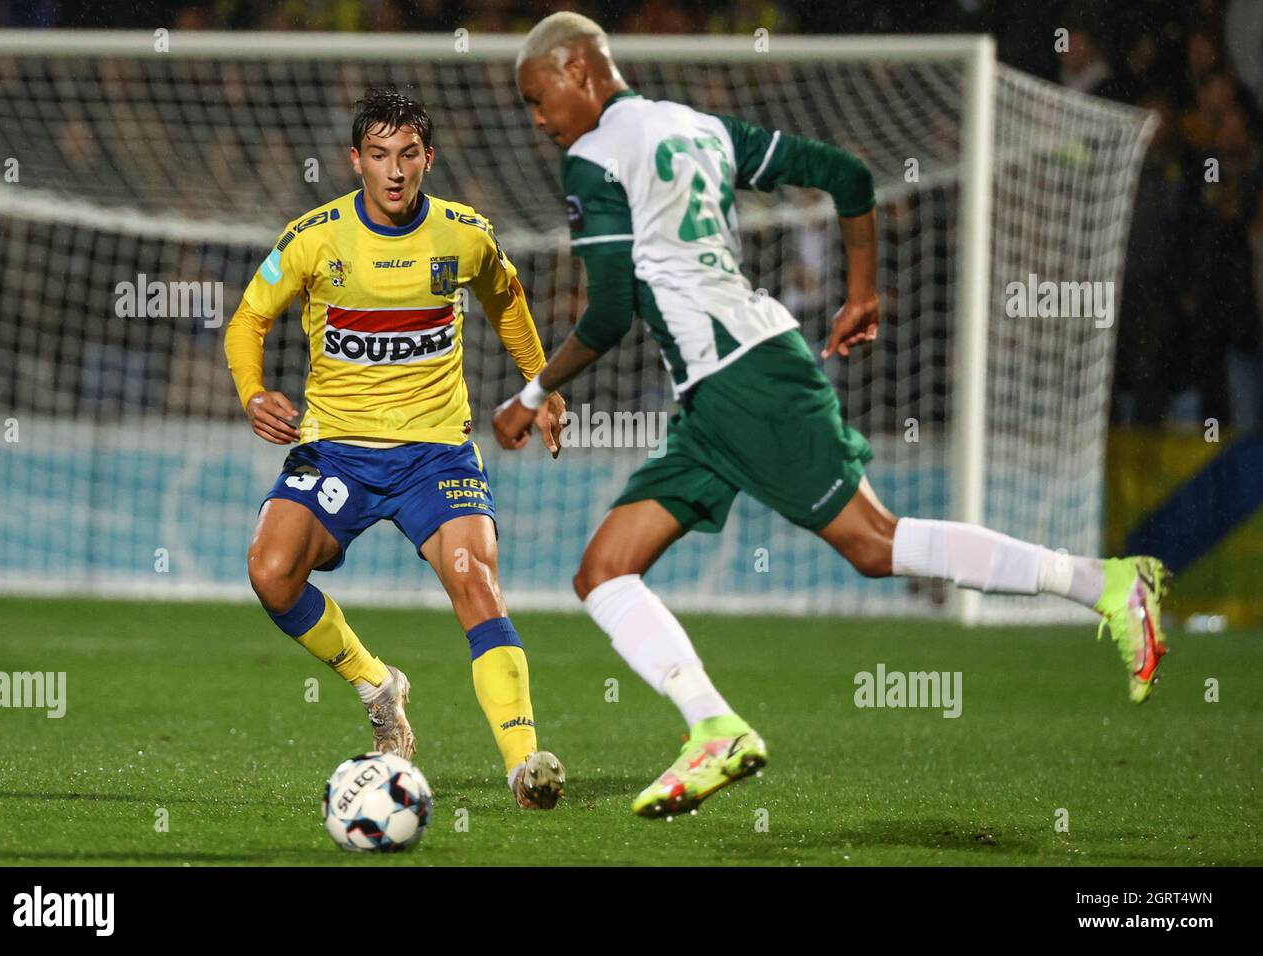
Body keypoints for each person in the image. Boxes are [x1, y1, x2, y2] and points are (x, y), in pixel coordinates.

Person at [494, 13, 1170, 819]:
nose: (537, 119)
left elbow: (606, 312)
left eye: (538, 98)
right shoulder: (700, 126)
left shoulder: (595, 155)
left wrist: (529, 394)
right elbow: (847, 173)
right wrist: (861, 289)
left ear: (576, 67)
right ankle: (713, 726)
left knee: (875, 546)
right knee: (603, 569)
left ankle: (1105, 582)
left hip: (746, 380)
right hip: (721, 392)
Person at [225, 87, 567, 809]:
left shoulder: (464, 234)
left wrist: (539, 387)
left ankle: (524, 762)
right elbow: (249, 317)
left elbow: (507, 300)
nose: (394, 169)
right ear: (355, 160)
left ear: (428, 159)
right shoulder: (314, 238)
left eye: (408, 154)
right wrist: (253, 392)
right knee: (271, 571)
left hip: (436, 452)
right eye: (378, 154)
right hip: (337, 452)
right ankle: (377, 685)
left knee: (476, 578)